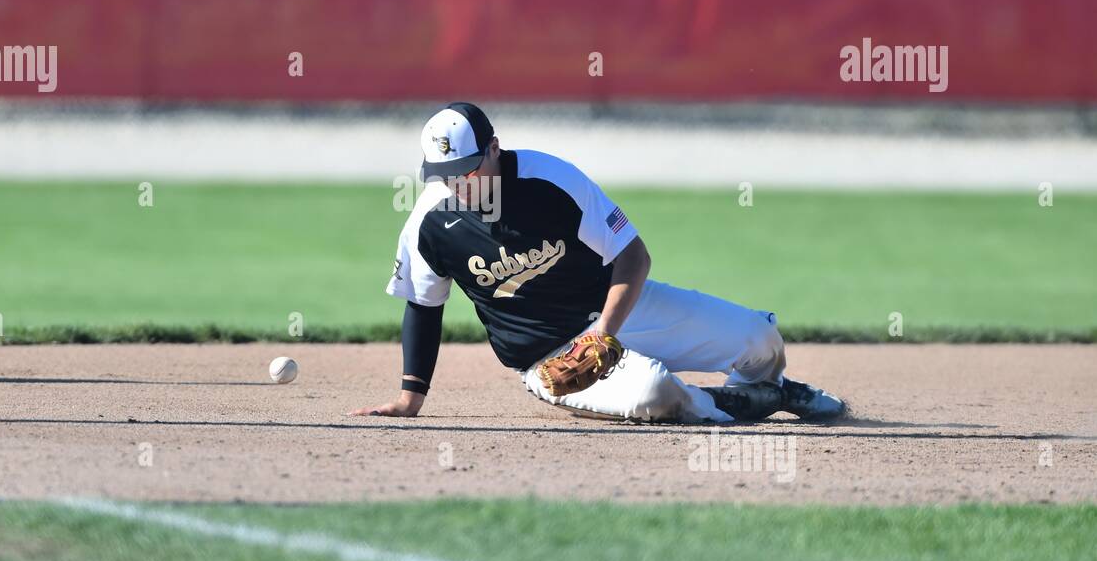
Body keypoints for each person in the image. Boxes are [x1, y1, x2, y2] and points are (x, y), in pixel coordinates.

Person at [350, 102, 846, 424]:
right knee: (654, 393)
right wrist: (409, 397)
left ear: (494, 150)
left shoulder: (551, 180)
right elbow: (422, 304)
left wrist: (605, 332)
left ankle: (770, 389)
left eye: (467, 169)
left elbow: (633, 255)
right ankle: (726, 405)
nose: (458, 183)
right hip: (549, 357)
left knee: (760, 340)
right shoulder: (430, 222)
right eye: (445, 174)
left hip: (619, 313)